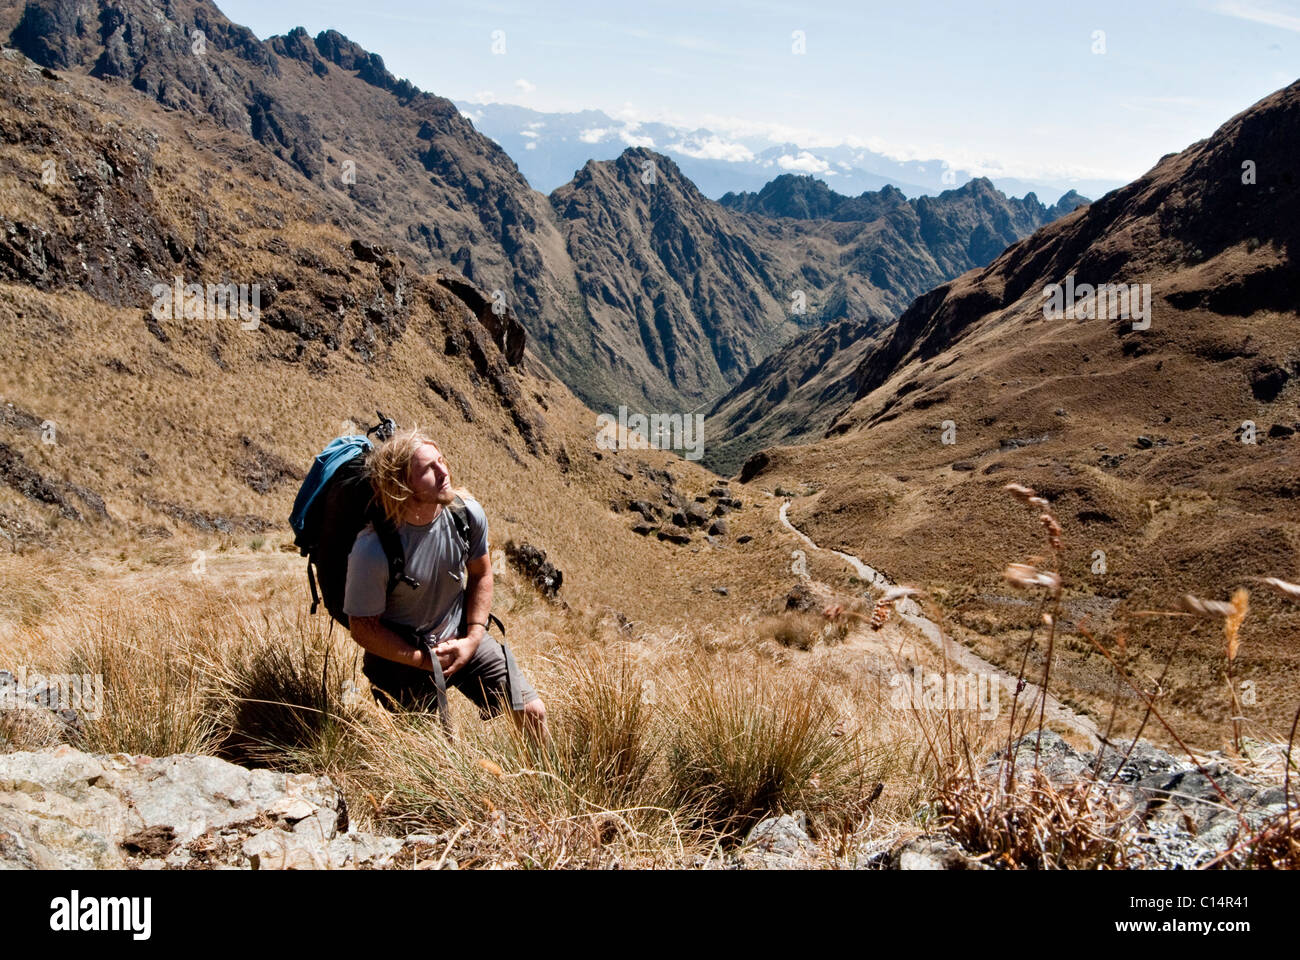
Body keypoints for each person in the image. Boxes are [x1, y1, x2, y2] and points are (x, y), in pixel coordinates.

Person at [343, 427, 547, 739]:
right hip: (401, 660)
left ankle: (544, 786)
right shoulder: (373, 550)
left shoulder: (465, 515)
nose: (444, 472)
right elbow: (364, 628)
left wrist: (473, 638)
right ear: (401, 485)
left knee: (532, 712)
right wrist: (424, 660)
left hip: (461, 638)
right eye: (428, 469)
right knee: (429, 752)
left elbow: (481, 573)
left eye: (442, 461)